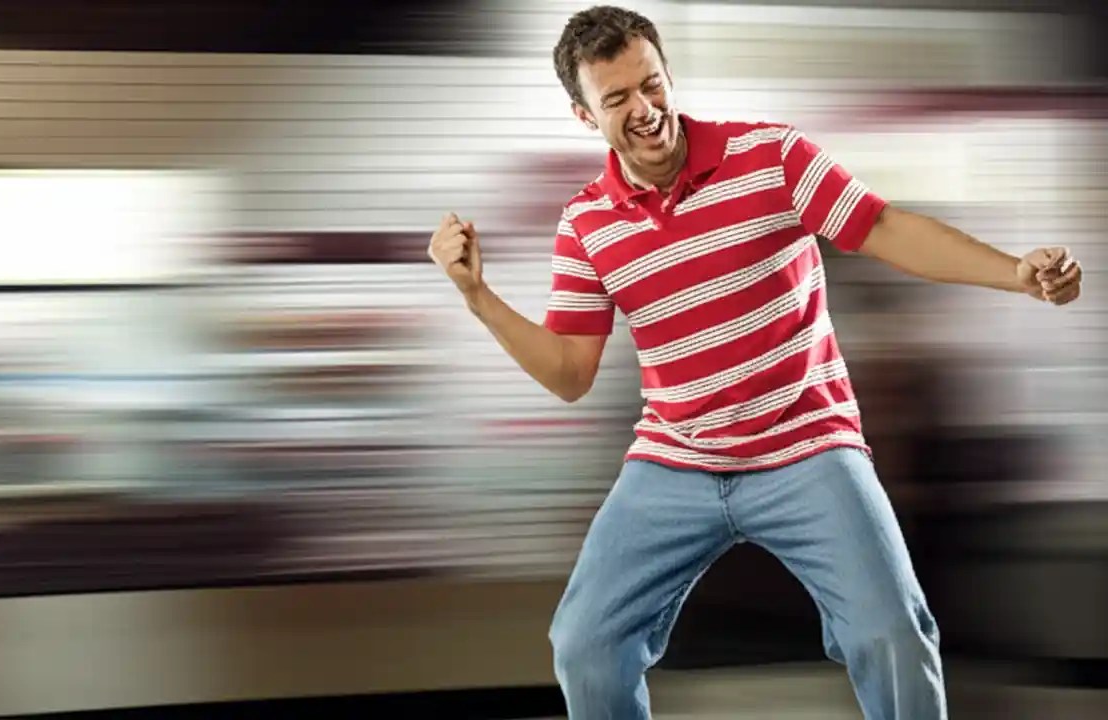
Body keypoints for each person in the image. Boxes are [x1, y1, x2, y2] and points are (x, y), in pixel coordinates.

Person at [426, 5, 1083, 720]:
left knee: (893, 632)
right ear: (585, 115)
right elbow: (568, 372)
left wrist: (1017, 273)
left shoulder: (771, 157)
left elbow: (887, 229)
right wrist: (477, 295)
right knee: (585, 644)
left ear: (668, 74)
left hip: (807, 447)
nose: (645, 109)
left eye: (651, 84)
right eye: (617, 99)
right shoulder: (586, 224)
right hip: (676, 461)